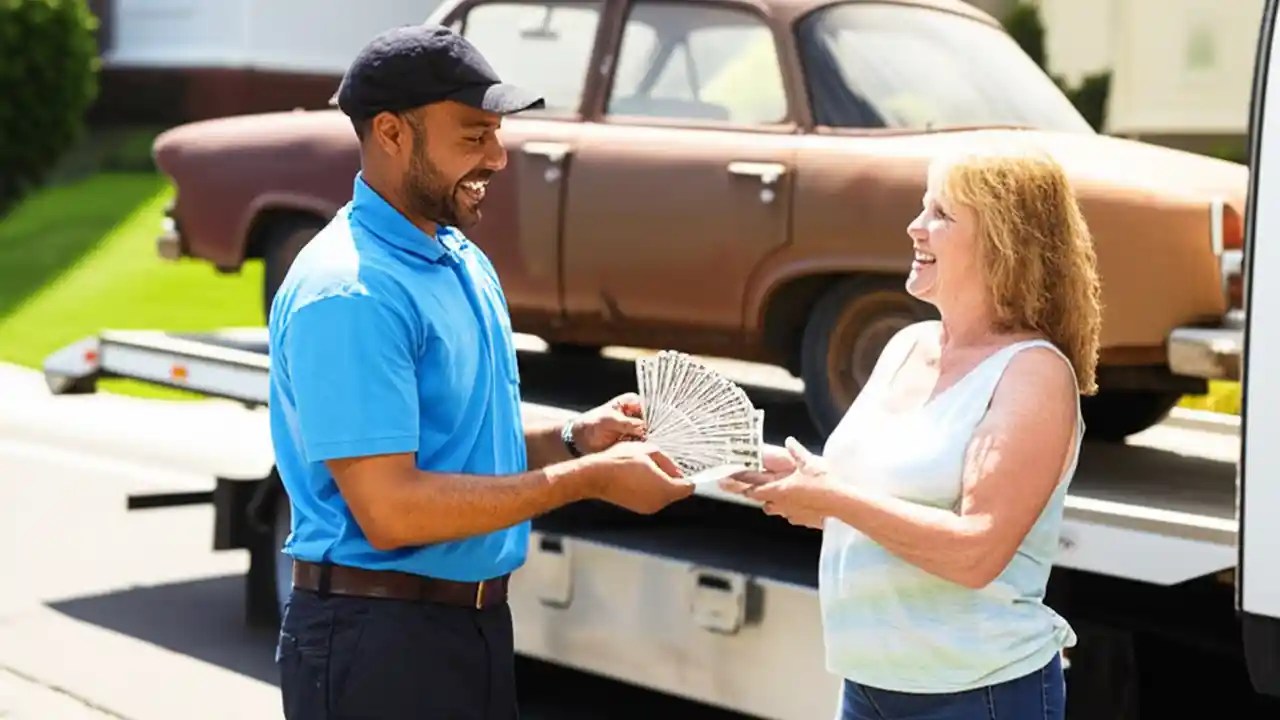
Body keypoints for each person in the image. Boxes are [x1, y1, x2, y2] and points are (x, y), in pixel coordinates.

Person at [266, 24, 692, 720]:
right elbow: (393, 509)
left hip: (471, 630)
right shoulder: (353, 291)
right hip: (377, 643)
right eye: (473, 135)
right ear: (391, 134)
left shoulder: (459, 258)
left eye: (497, 133)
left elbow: (463, 451)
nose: (497, 157)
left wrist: (579, 440)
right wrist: (585, 482)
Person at [721, 144, 1102, 719]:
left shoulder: (1033, 373)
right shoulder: (905, 347)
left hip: (978, 693)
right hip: (870, 684)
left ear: (1003, 242)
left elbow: (976, 552)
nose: (914, 227)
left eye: (941, 214)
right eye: (923, 207)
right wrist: (807, 483)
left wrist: (831, 496)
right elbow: (880, 503)